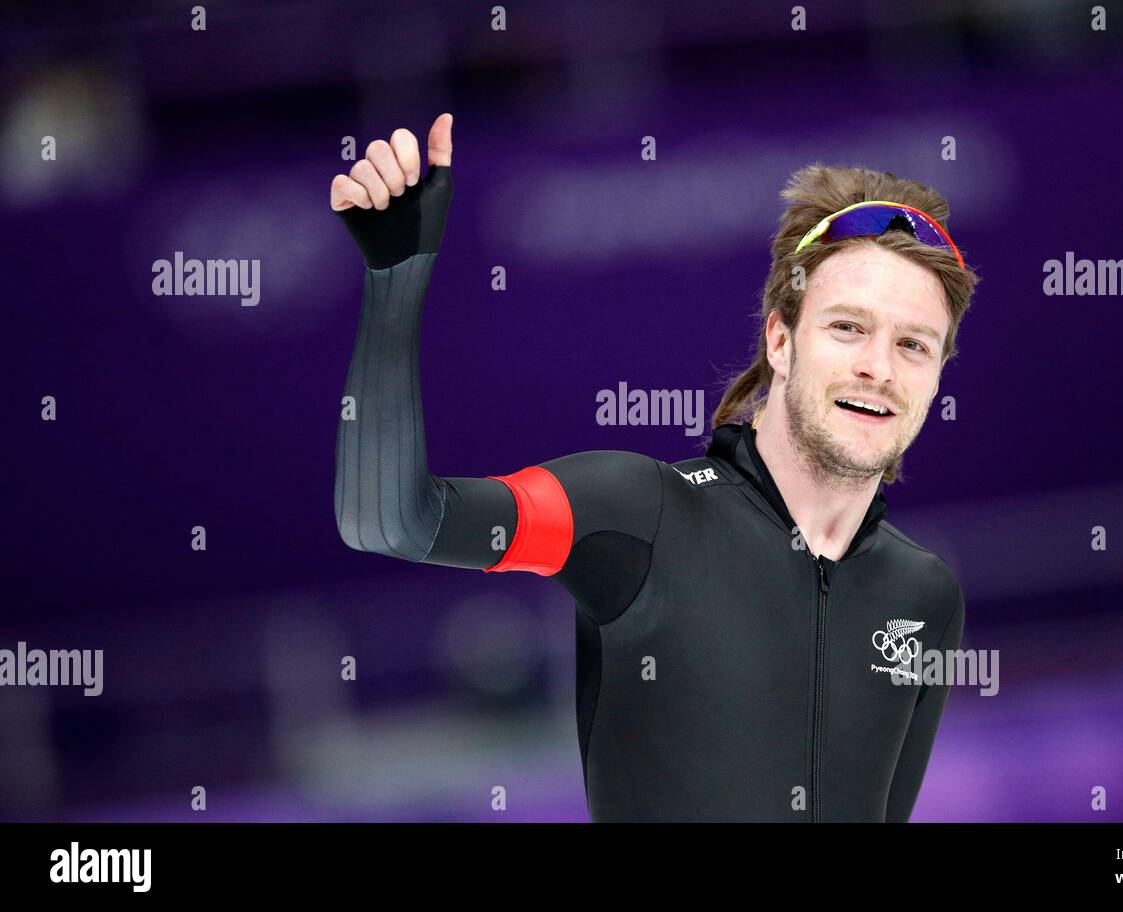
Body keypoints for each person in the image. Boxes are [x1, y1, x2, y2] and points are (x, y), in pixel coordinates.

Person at [330, 113, 980, 822]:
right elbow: (394, 521)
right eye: (848, 327)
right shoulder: (638, 515)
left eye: (914, 345)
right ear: (782, 340)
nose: (878, 368)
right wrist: (395, 276)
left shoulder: (924, 594)